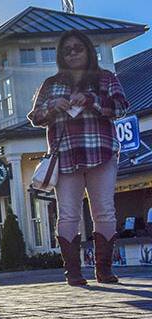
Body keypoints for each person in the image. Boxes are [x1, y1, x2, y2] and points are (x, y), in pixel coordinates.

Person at [28, 30, 129, 286]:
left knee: (104, 210)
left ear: (88, 50)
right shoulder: (51, 84)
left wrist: (92, 99)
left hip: (101, 151)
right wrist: (53, 105)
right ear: (61, 56)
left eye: (78, 48)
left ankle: (104, 270)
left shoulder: (106, 78)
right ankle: (73, 272)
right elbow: (35, 117)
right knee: (68, 213)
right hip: (66, 155)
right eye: (67, 50)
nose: (72, 53)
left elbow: (120, 107)